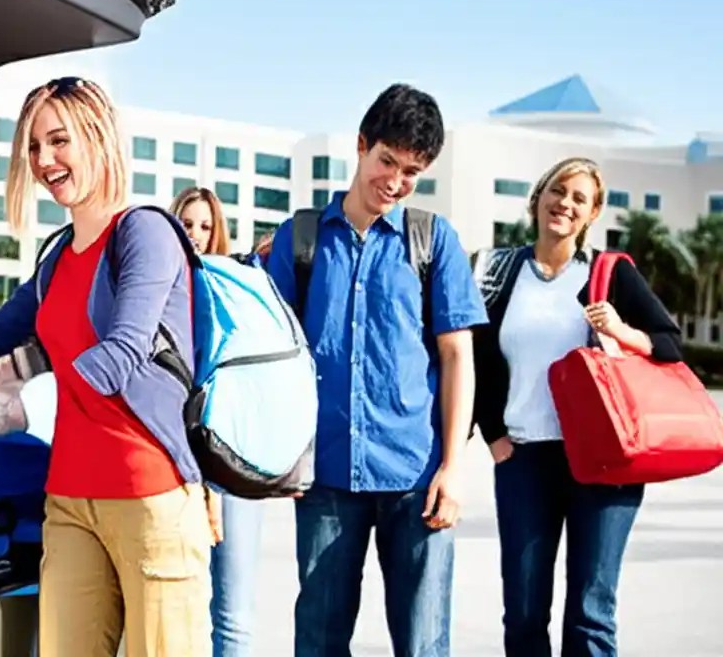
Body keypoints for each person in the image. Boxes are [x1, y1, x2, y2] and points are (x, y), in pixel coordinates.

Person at [0, 77, 216, 657]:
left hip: (149, 499)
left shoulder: (145, 233)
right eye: (32, 146)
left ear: (97, 136)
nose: (44, 160)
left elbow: (123, 353)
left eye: (59, 141)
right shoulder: (58, 256)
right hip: (70, 501)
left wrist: (6, 401)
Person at [264, 83, 487, 656]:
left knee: (422, 642)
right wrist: (285, 455)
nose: (394, 180)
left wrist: (455, 469)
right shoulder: (302, 238)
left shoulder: (433, 241)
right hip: (327, 478)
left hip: (417, 479)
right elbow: (275, 357)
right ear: (361, 146)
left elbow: (458, 355)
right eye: (386, 160)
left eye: (411, 171)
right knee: (318, 639)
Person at [470, 157, 682, 657]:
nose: (564, 203)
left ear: (592, 214)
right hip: (525, 459)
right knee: (523, 612)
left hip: (605, 461)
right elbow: (473, 353)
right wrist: (493, 432)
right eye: (557, 191)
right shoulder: (496, 270)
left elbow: (669, 344)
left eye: (579, 198)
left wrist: (619, 330)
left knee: (590, 615)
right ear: (539, 196)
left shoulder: (611, 274)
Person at [171, 185, 263, 657]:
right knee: (177, 607)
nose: (197, 235)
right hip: (178, 464)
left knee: (233, 613)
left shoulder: (232, 286)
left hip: (232, 458)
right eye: (187, 224)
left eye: (206, 226)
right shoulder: (158, 289)